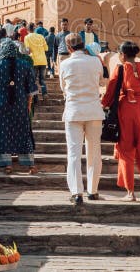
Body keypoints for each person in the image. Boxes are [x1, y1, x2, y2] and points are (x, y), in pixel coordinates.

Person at [102, 41, 140, 200]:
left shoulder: (120, 69)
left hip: (127, 110)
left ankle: (130, 193)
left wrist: (101, 106)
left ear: (122, 55)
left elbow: (110, 93)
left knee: (126, 150)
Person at [59, 33, 105, 205]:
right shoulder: (95, 61)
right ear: (83, 45)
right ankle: (93, 191)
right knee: (94, 153)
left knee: (74, 154)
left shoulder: (64, 64)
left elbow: (63, 88)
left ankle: (77, 192)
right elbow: (100, 81)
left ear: (69, 48)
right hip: (93, 111)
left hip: (74, 112)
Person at [0, 41, 38, 175]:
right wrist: (28, 105)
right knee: (23, 132)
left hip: (1, 104)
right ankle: (30, 165)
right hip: (20, 104)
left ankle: (7, 165)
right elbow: (31, 89)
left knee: (2, 132)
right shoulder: (25, 65)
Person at [24, 28, 49, 99]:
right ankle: (45, 94)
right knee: (42, 80)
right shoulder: (41, 36)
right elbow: (46, 48)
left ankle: (35, 97)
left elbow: (28, 50)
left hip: (34, 61)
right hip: (43, 60)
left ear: (28, 30)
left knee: (33, 79)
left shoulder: (27, 37)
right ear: (34, 29)